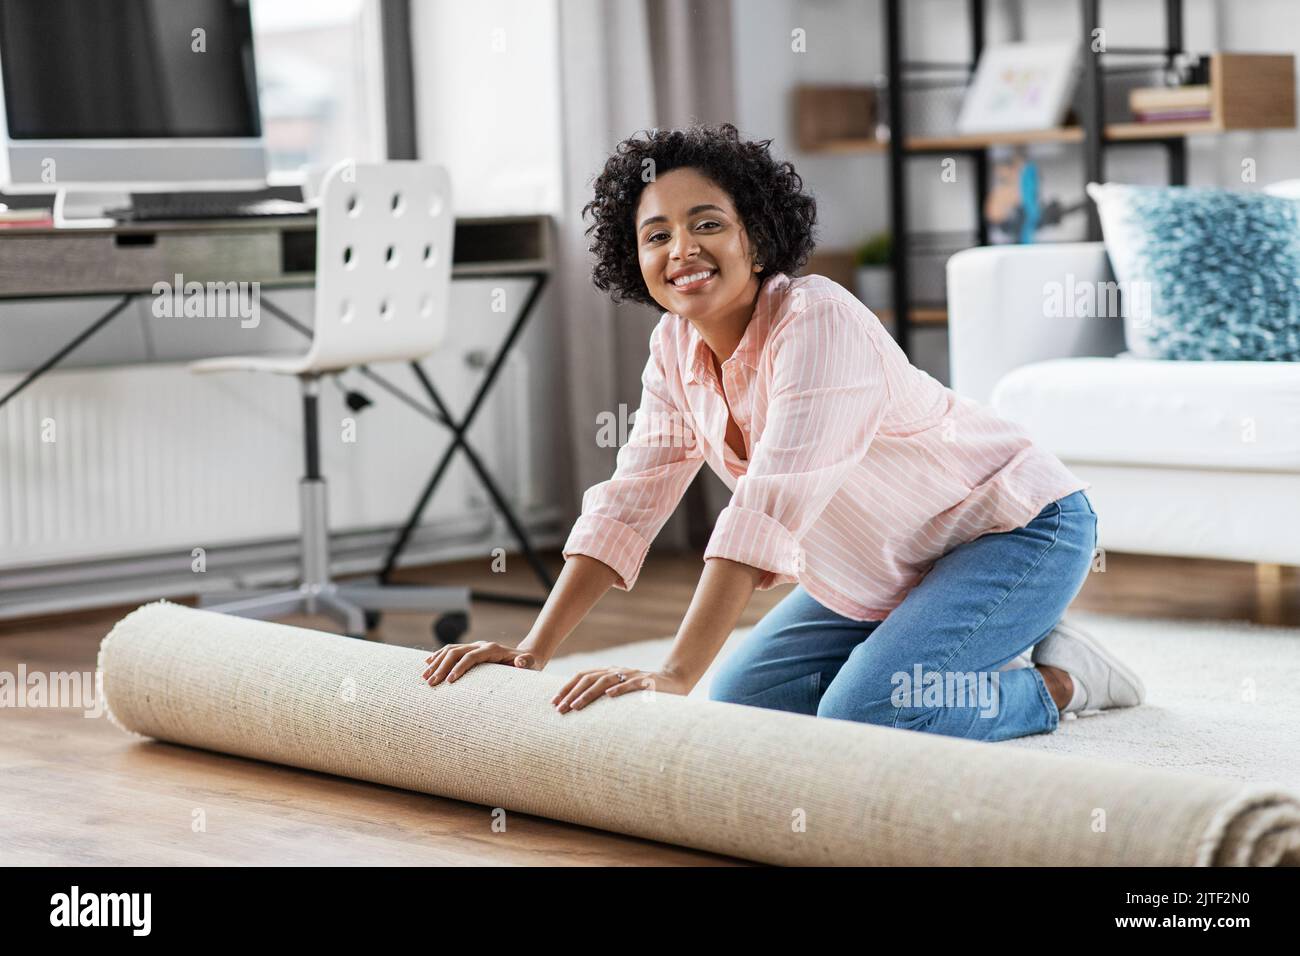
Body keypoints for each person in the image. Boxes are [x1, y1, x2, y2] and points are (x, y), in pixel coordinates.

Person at [421, 123, 1144, 742]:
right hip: (888, 561)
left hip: (1015, 529)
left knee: (866, 715)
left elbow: (765, 507)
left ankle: (1059, 681)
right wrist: (532, 651)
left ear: (757, 239)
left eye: (708, 224)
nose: (683, 249)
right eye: (656, 234)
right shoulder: (675, 349)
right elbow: (628, 502)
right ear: (632, 259)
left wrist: (675, 672)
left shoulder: (817, 320)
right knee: (744, 704)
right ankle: (966, 640)